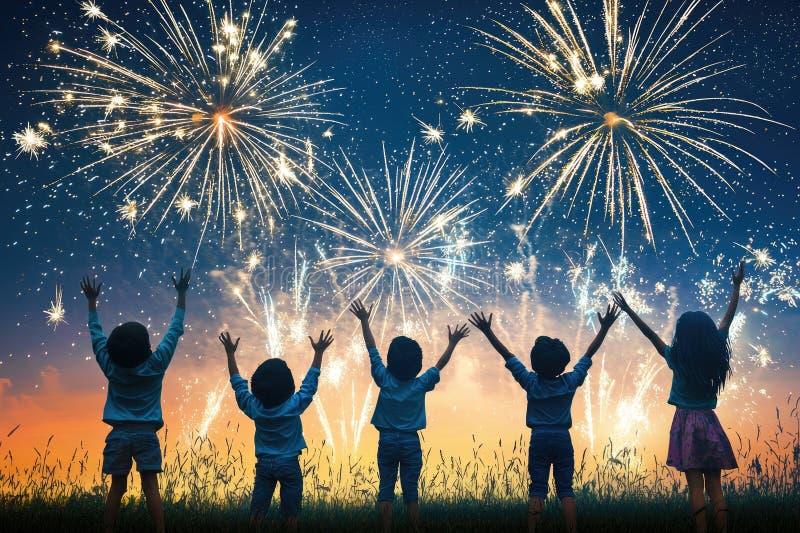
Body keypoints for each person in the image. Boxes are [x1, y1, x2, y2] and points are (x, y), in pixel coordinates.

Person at [613, 261, 744, 533]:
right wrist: (737, 287)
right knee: (715, 488)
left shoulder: (676, 358)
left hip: (685, 425)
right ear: (708, 335)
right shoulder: (714, 353)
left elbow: (650, 334)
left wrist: (628, 310)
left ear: (682, 336)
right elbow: (727, 319)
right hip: (710, 423)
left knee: (695, 487)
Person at [469, 305, 620, 533]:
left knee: (537, 488)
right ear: (562, 363)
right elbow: (589, 355)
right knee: (566, 489)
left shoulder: (530, 382)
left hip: (538, 438)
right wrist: (604, 328)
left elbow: (508, 356)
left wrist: (488, 332)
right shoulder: (570, 382)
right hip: (562, 438)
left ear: (535, 362)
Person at [81, 268, 191, 533]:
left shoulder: (110, 367)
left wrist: (92, 303)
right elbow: (174, 331)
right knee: (150, 486)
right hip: (146, 435)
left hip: (118, 435)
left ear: (113, 349)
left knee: (116, 488)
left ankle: (108, 530)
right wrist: (181, 294)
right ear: (146, 347)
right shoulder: (156, 365)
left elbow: (96, 337)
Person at [349, 299, 469, 533]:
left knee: (386, 488)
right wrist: (452, 343)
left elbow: (371, 350)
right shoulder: (421, 384)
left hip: (386, 440)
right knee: (411, 491)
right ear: (417, 364)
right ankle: (414, 529)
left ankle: (386, 529)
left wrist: (364, 321)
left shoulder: (384, 379)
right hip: (411, 441)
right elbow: (439, 365)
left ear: (391, 362)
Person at [219, 329, 333, 531]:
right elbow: (309, 386)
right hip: (289, 464)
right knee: (291, 513)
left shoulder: (254, 407)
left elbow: (238, 385)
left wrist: (230, 354)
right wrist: (318, 353)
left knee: (257, 511)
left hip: (264, 465)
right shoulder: (293, 406)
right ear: (288, 386)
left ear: (257, 388)